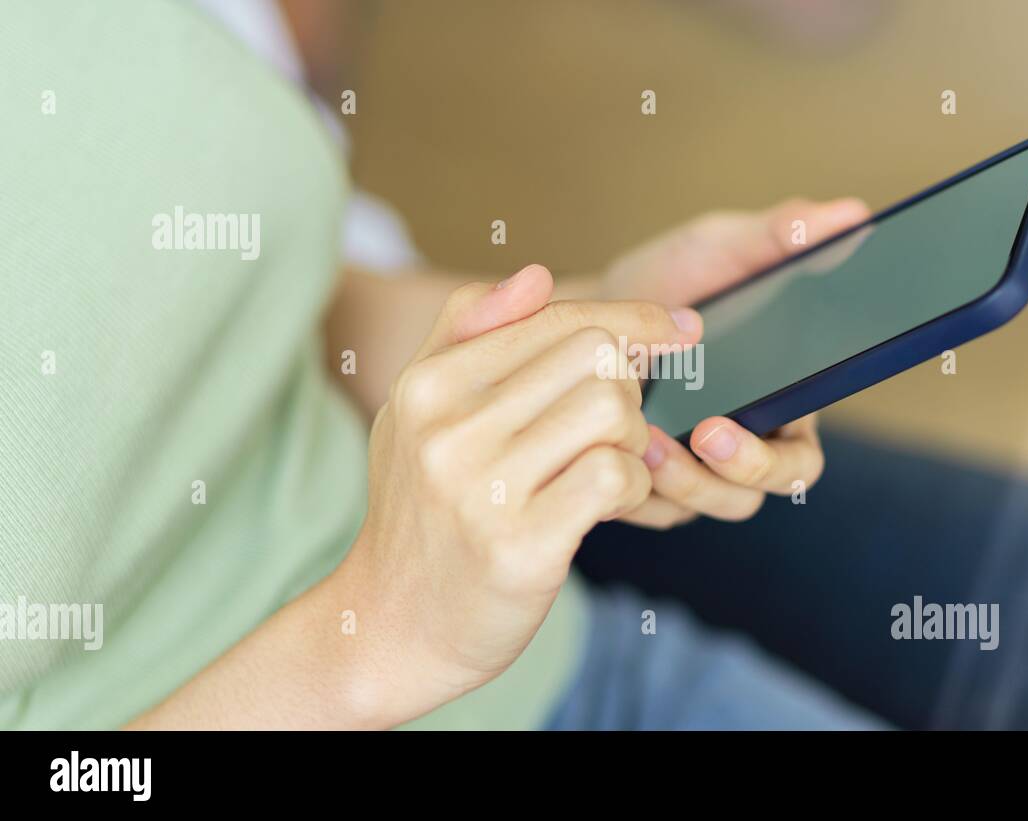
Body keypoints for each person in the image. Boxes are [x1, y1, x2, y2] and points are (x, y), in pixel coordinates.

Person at [0, 0, 877, 729]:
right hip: (435, 630)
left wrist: (584, 317)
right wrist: (370, 642)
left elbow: (252, 306)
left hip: (555, 667)